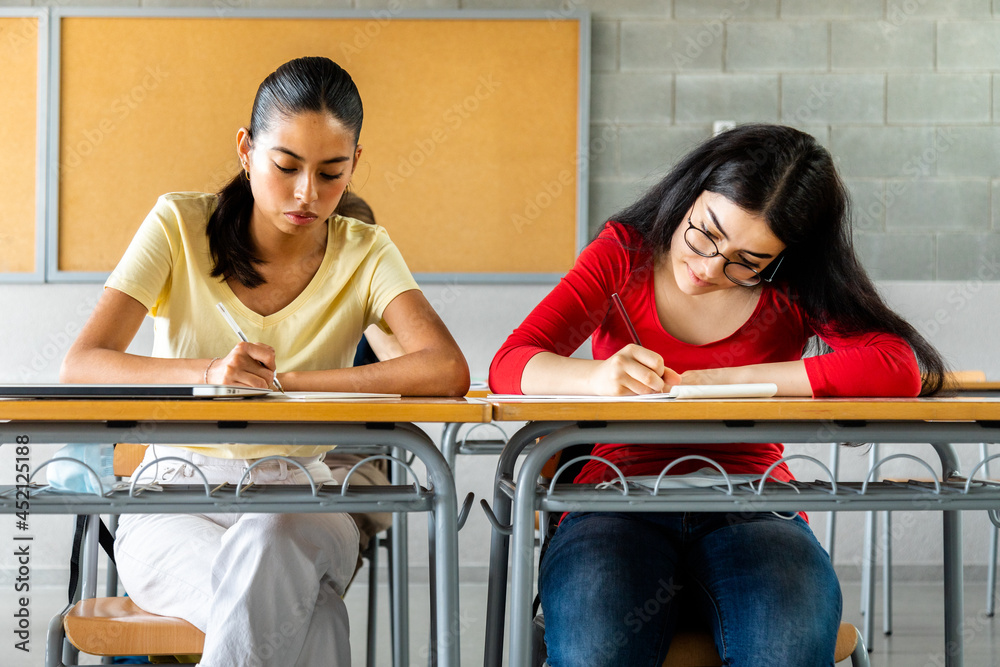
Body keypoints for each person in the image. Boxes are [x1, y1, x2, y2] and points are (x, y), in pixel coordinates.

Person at [61, 56, 469, 667]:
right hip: (173, 499)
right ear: (246, 150)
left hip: (302, 497)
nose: (307, 194)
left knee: (277, 537)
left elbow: (445, 369)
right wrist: (208, 374)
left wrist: (286, 384)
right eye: (286, 166)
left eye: (331, 173)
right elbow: (82, 364)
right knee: (311, 615)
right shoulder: (178, 224)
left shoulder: (366, 251)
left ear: (355, 163)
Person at [489, 124, 946, 666]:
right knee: (594, 652)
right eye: (703, 234)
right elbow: (509, 364)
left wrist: (732, 382)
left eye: (746, 263)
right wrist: (595, 378)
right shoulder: (623, 252)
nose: (707, 269)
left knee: (787, 650)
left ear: (779, 259)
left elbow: (897, 368)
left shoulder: (794, 281)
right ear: (690, 193)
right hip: (614, 500)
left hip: (752, 500)